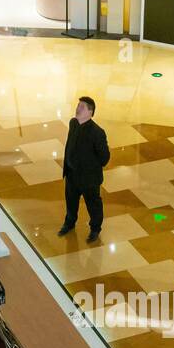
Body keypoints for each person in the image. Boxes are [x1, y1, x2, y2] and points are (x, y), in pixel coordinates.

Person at [59, 95, 110, 242]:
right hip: (72, 175)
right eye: (78, 106)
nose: (77, 109)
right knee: (71, 202)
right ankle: (69, 223)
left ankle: (95, 229)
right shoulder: (73, 123)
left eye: (81, 107)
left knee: (93, 205)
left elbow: (104, 158)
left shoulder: (97, 133)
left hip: (89, 179)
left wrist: (90, 166)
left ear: (90, 112)